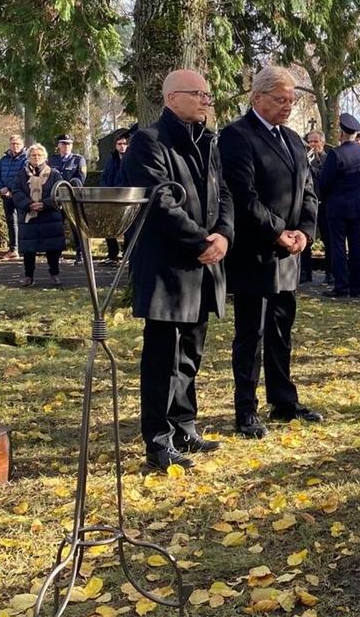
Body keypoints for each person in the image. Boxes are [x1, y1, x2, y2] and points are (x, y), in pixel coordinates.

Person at [124, 69, 234, 471]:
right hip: (168, 266)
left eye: (209, 94)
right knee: (162, 356)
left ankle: (185, 425)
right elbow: (160, 203)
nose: (207, 100)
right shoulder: (148, 141)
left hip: (204, 264)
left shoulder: (210, 140)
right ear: (172, 98)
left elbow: (224, 194)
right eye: (198, 94)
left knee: (191, 351)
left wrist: (223, 235)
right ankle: (158, 440)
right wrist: (202, 241)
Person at [220, 65, 321, 440]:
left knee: (281, 330)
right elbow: (242, 197)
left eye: (292, 100)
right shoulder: (236, 136)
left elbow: (309, 191)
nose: (287, 106)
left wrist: (305, 234)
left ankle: (283, 400)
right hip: (255, 252)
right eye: (280, 99)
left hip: (289, 254)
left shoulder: (294, 140)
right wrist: (279, 232)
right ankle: (245, 409)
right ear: (257, 97)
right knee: (251, 333)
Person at [319, 113, 360, 298]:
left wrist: (324, 197)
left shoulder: (336, 153)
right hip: (356, 205)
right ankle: (357, 287)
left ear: (341, 133)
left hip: (337, 206)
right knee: (356, 246)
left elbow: (325, 181)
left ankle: (341, 285)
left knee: (338, 246)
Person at [10, 143, 65, 287]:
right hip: (29, 216)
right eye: (33, 155)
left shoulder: (54, 174)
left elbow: (59, 192)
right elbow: (16, 191)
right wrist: (29, 204)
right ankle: (29, 276)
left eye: (39, 155)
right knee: (29, 249)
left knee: (52, 248)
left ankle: (54, 274)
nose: (36, 157)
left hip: (49, 216)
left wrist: (44, 204)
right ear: (28, 157)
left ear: (44, 157)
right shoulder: (21, 174)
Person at [49, 135, 89, 264]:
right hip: (56, 197)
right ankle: (57, 254)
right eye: (63, 144)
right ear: (59, 145)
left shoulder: (78, 160)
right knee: (56, 226)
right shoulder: (52, 160)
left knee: (76, 226)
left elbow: (80, 180)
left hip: (72, 198)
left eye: (68, 144)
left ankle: (80, 253)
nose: (66, 146)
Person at [299, 130, 328, 284]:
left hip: (323, 204)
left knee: (327, 239)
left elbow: (323, 178)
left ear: (322, 143)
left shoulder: (327, 159)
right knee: (306, 237)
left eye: (316, 141)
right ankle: (305, 271)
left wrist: (309, 166)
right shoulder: (304, 159)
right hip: (308, 204)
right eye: (310, 141)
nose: (312, 145)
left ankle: (330, 273)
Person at [0, 134, 28, 261]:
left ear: (22, 144)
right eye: (13, 143)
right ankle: (13, 248)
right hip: (6, 196)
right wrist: (1, 188)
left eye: (18, 144)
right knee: (10, 222)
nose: (15, 146)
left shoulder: (25, 159)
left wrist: (12, 191)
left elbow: (22, 176)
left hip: (19, 195)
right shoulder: (4, 159)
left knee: (22, 221)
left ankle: (22, 248)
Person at [100, 131, 130, 263]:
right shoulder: (111, 159)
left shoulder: (132, 158)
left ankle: (127, 254)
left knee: (128, 227)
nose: (122, 146)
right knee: (109, 227)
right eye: (119, 144)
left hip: (127, 196)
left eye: (124, 144)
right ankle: (112, 254)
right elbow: (105, 177)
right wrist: (106, 191)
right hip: (111, 196)